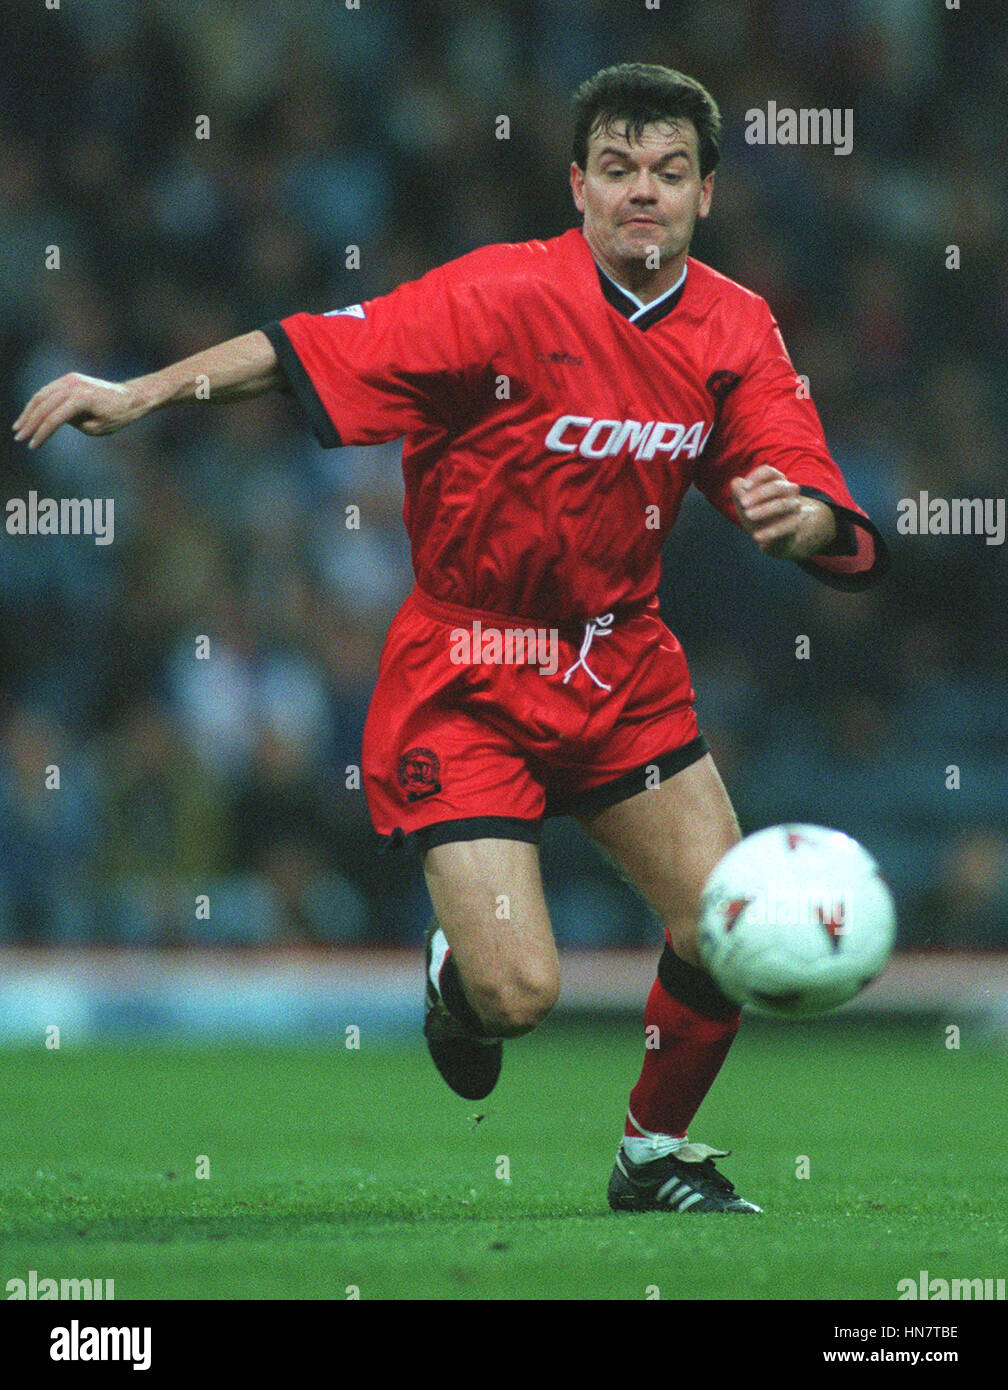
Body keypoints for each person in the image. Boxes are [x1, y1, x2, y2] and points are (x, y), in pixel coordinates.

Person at [13, 63, 888, 1214]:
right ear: (577, 183)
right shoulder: (497, 296)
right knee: (521, 992)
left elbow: (818, 496)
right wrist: (139, 392)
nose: (643, 193)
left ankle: (655, 1155)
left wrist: (804, 520)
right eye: (618, 169)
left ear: (706, 195)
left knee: (723, 922)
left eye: (670, 173)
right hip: (471, 668)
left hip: (619, 661)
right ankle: (458, 980)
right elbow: (304, 348)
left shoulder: (736, 324)